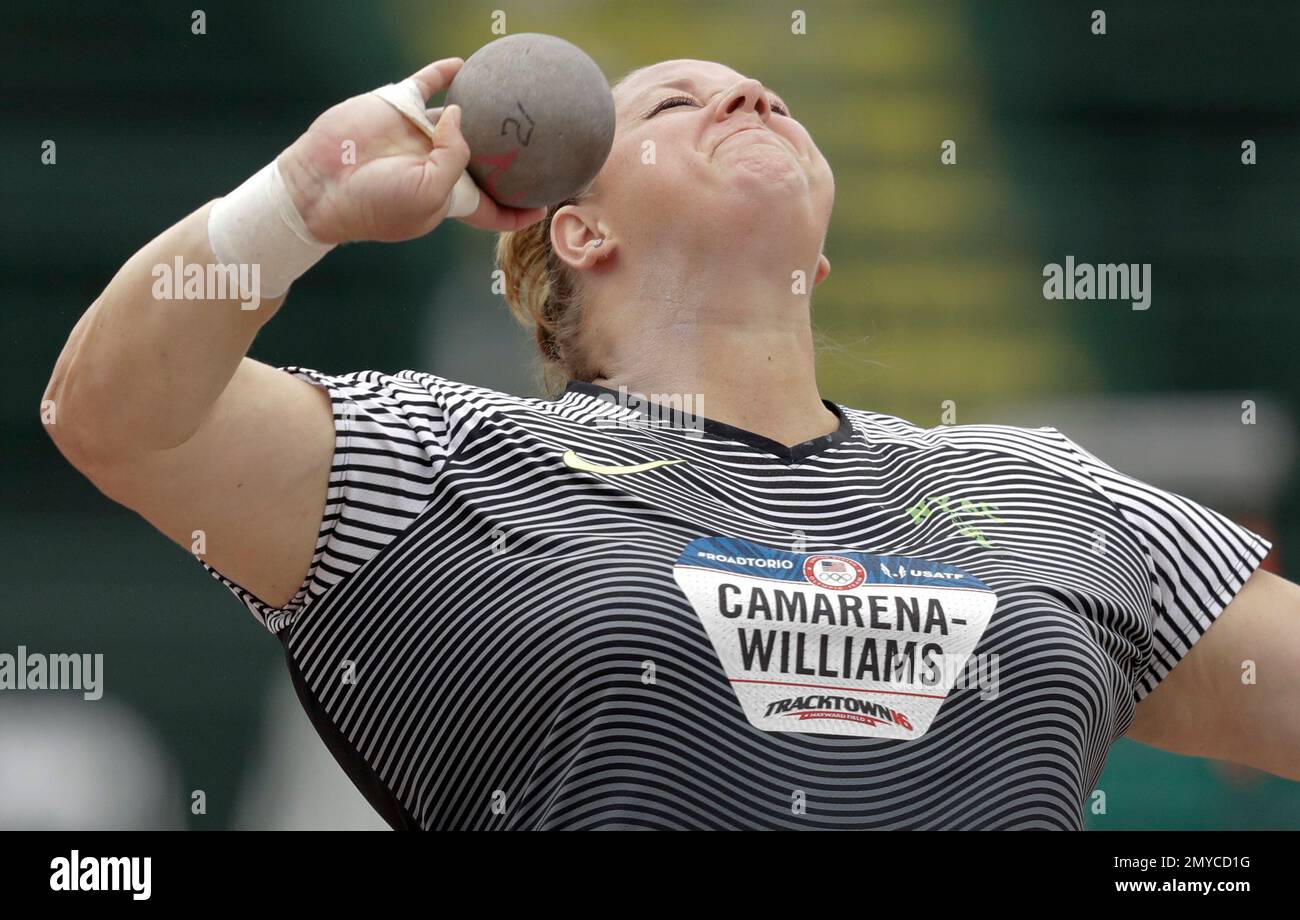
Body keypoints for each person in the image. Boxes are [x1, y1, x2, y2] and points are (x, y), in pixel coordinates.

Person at [43, 56, 1299, 830]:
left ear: (817, 253)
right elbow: (113, 418)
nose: (751, 94)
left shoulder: (1044, 490)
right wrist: (298, 204)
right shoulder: (443, 464)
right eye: (676, 101)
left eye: (767, 97)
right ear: (578, 232)